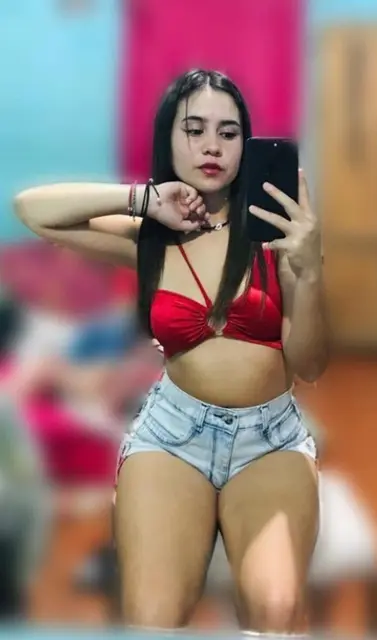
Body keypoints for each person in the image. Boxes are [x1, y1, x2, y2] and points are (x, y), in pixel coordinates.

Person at [13, 69, 328, 632]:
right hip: (172, 435)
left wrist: (307, 273)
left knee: (276, 615)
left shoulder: (276, 233)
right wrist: (144, 200)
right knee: (152, 619)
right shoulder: (151, 236)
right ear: (169, 137)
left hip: (270, 440)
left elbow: (310, 364)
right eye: (194, 129)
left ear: (246, 145)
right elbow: (31, 210)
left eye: (228, 133)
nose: (212, 146)